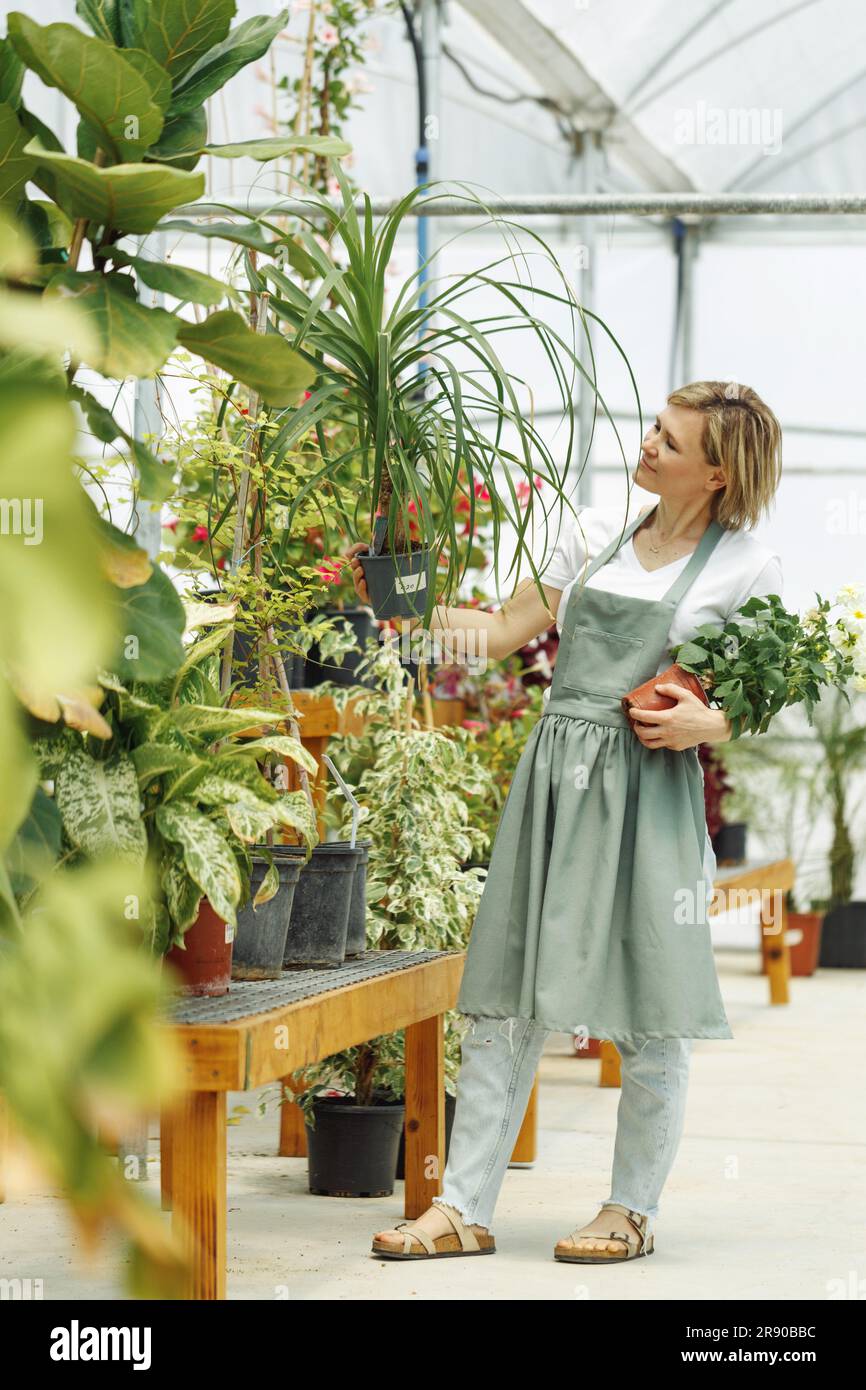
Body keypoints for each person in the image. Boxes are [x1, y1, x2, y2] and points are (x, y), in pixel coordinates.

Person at [344, 380, 783, 1264]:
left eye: (669, 439)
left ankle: (630, 1210)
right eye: (653, 427)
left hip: (651, 799)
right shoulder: (589, 535)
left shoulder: (747, 569)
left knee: (652, 1010)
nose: (647, 444)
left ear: (718, 474)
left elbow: (766, 692)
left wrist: (710, 723)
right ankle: (461, 1206)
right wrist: (400, 597)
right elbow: (501, 631)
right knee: (504, 996)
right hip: (557, 782)